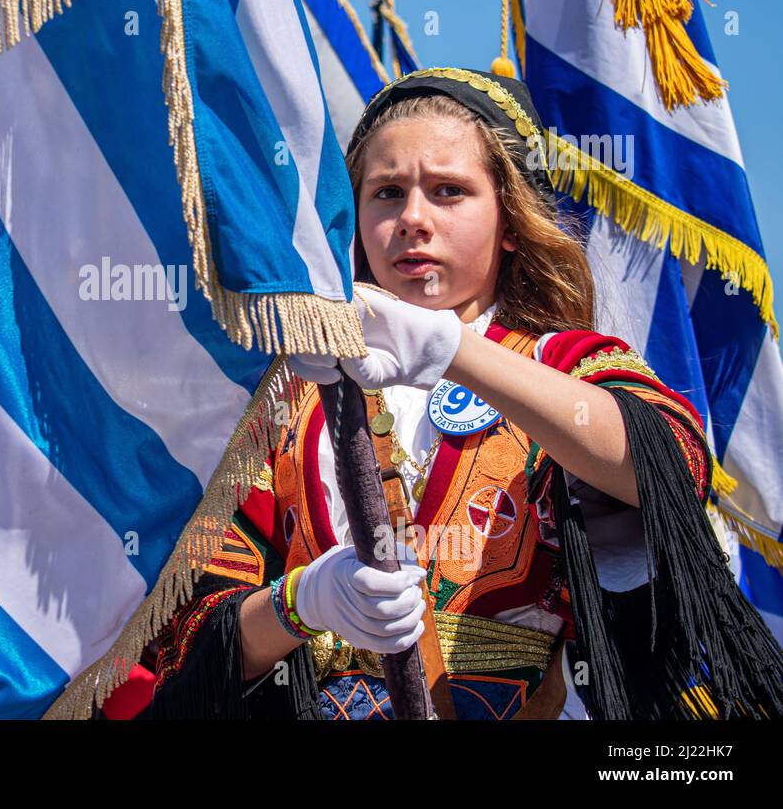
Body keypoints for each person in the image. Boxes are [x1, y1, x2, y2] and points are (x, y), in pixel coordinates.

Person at [149, 67, 783, 720]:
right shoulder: (285, 399)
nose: (412, 220)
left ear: (511, 220)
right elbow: (186, 646)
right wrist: (303, 601)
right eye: (387, 192)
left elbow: (667, 466)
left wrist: (455, 353)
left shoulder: (562, 364)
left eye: (449, 191)